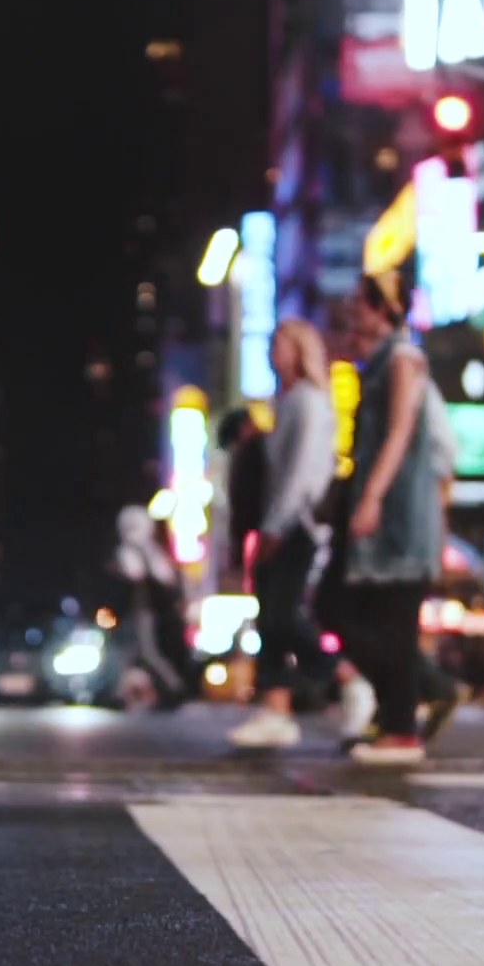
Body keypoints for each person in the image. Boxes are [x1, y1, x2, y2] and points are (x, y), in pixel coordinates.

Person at [339, 274, 446, 766]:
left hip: (401, 510)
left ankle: (403, 728)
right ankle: (409, 705)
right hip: (385, 505)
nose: (351, 309)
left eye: (360, 302)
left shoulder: (403, 358)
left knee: (392, 619)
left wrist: (373, 497)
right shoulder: (379, 361)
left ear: (384, 308)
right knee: (354, 611)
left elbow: (401, 431)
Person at [230, 321, 340, 749]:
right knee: (270, 618)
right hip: (282, 522)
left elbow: (299, 474)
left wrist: (275, 527)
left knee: (282, 616)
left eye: (281, 342)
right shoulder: (288, 402)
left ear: (301, 350)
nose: (273, 350)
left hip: (299, 524)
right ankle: (275, 709)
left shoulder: (309, 402)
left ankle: (346, 678)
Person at [114, 506, 188, 707]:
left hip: (142, 610)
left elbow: (135, 574)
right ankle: (121, 694)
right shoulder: (153, 549)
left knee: (146, 652)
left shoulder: (134, 550)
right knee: (130, 651)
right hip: (146, 610)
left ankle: (175, 687)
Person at [217, 408, 268, 591]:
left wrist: (237, 553)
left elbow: (242, 505)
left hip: (270, 537)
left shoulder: (252, 454)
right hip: (270, 534)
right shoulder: (265, 447)